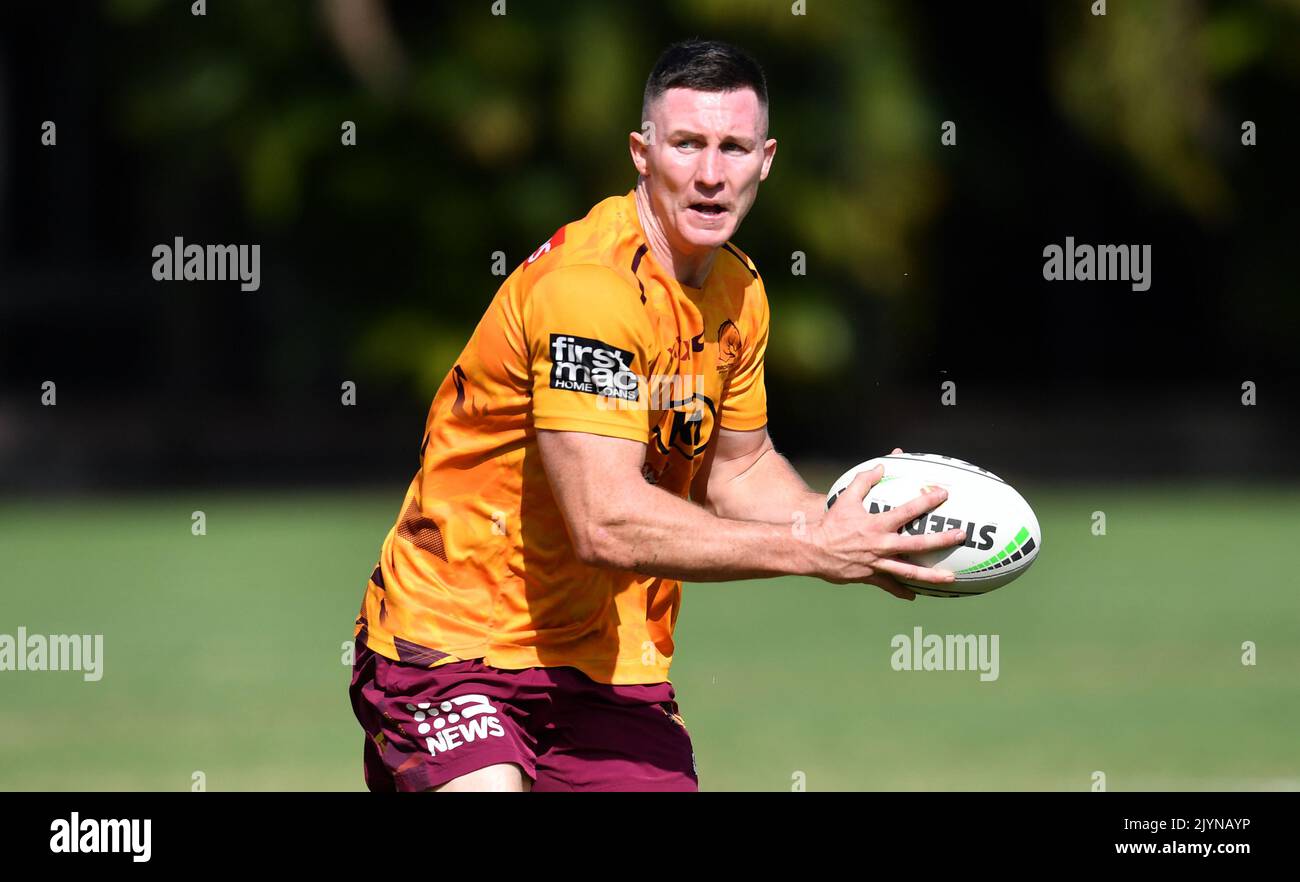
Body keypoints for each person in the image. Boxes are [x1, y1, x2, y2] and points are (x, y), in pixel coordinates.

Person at [349, 38, 966, 792]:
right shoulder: (591, 292)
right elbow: (603, 520)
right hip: (450, 643)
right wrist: (811, 548)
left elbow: (737, 470)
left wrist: (851, 524)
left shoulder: (739, 292)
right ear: (643, 153)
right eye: (687, 145)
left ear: (765, 160)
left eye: (733, 148)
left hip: (606, 661)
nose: (711, 174)